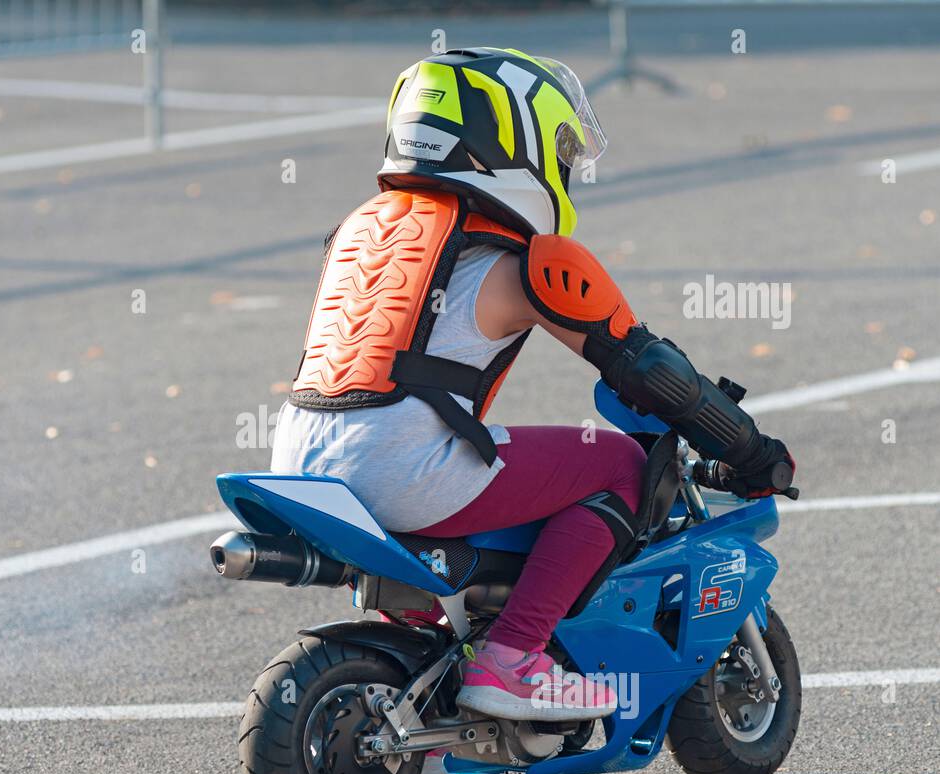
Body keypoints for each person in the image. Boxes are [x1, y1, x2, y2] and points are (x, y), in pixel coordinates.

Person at [270, 48, 794, 731]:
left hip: (300, 450)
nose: (568, 167)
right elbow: (652, 370)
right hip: (395, 458)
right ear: (510, 142)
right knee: (617, 467)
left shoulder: (362, 229)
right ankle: (513, 655)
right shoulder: (528, 264)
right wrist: (754, 453)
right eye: (560, 149)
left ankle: (423, 697)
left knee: (487, 458)